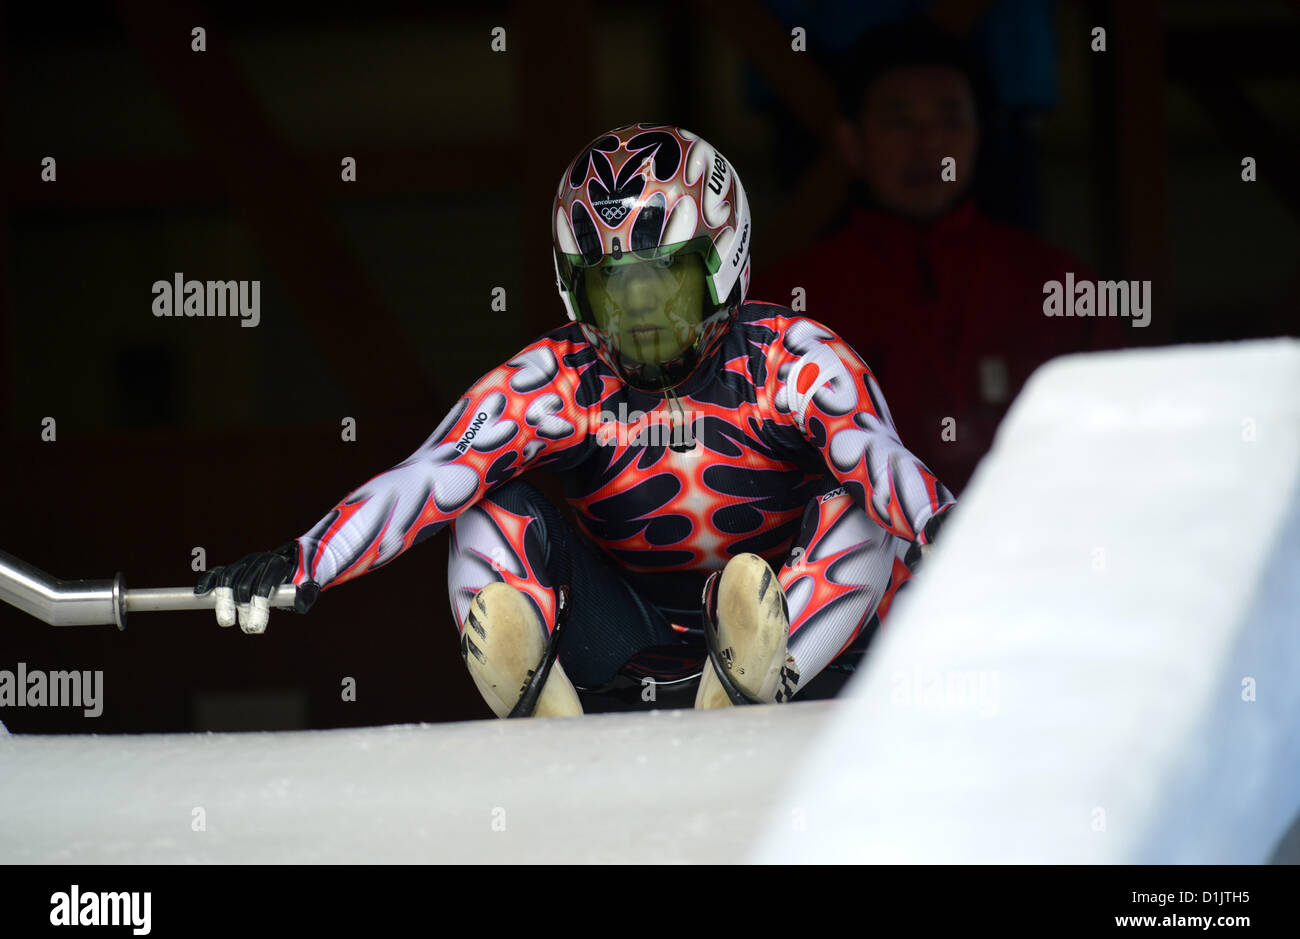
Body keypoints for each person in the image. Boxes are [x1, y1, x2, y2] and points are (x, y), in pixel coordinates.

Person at [196, 124, 954, 717]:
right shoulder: (557, 381)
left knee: (867, 502)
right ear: (573, 293)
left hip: (814, 639)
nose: (641, 313)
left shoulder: (794, 357)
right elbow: (429, 474)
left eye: (667, 280)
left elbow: (879, 457)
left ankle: (764, 672)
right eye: (611, 290)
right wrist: (304, 559)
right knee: (477, 498)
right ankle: (539, 708)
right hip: (631, 646)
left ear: (727, 260)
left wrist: (950, 528)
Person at [753, 23, 1123, 494]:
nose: (927, 143)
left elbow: (1117, 457)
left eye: (950, 118)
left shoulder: (1063, 287)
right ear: (851, 142)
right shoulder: (783, 306)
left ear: (981, 135)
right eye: (898, 120)